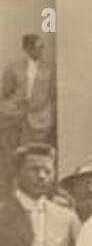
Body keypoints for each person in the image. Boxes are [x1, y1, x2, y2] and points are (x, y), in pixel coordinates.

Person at [0, 35, 56, 178]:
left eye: (41, 47)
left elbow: (50, 93)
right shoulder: (14, 67)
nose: (39, 51)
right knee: (11, 153)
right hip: (15, 115)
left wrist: (43, 110)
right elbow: (6, 92)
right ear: (27, 48)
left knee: (34, 153)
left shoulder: (47, 68)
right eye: (36, 47)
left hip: (38, 117)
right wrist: (11, 108)